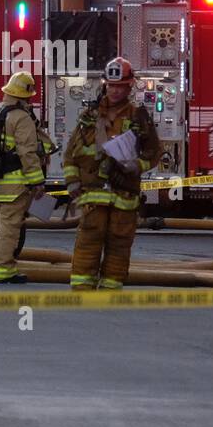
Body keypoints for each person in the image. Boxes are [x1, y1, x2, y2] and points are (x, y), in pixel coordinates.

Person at [63, 57, 161, 291]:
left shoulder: (139, 117)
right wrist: (72, 182)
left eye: (121, 86)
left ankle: (111, 288)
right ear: (105, 85)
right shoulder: (90, 116)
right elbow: (71, 153)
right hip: (93, 192)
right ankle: (82, 287)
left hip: (123, 193)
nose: (115, 90)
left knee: (119, 242)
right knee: (88, 239)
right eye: (112, 85)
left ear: (129, 87)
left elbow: (154, 152)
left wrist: (136, 165)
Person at [0, 72, 48, 284]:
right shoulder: (21, 117)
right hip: (13, 185)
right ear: (27, 96)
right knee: (9, 227)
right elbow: (27, 152)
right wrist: (37, 181)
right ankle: (3, 269)